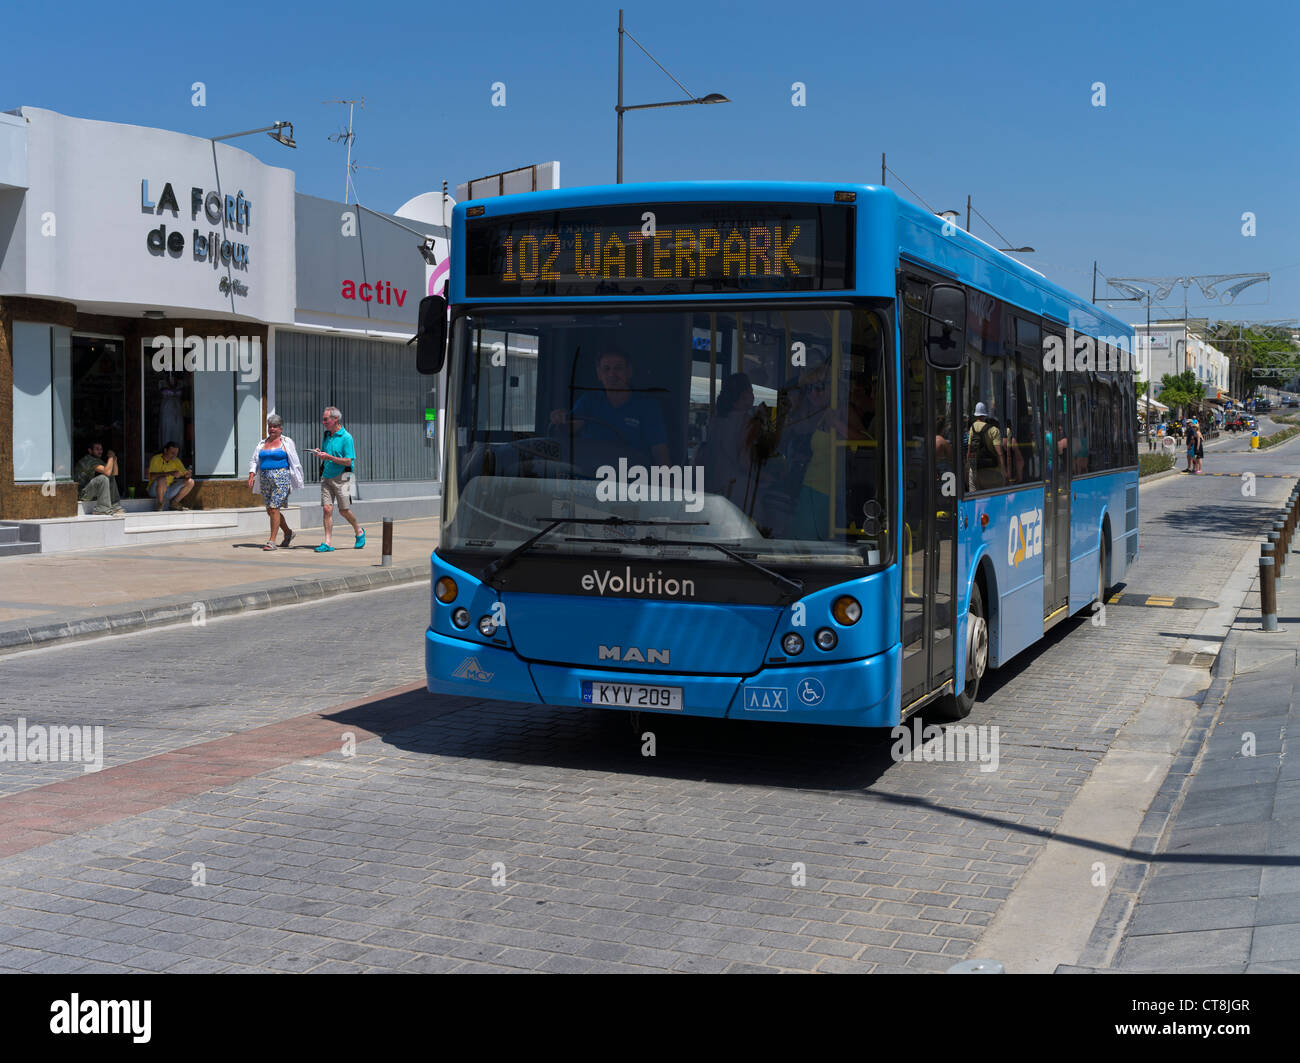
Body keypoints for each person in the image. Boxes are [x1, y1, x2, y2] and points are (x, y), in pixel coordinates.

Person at [550, 349, 670, 466]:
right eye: (606, 369)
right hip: (589, 473)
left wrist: (666, 481)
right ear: (599, 374)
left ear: (629, 372)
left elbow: (659, 450)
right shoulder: (589, 400)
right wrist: (560, 419)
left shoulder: (647, 406)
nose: (612, 374)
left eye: (618, 368)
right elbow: (570, 429)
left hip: (629, 476)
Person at [307, 406, 364, 552]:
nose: (323, 422)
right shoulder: (327, 435)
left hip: (343, 477)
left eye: (326, 419)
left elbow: (348, 461)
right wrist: (320, 453)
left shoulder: (346, 437)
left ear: (335, 419)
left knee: (344, 510)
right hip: (326, 476)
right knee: (327, 509)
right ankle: (327, 542)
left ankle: (359, 531)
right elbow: (328, 453)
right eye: (323, 419)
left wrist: (329, 457)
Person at [702, 373, 762, 508]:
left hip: (713, 485)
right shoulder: (747, 421)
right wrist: (765, 476)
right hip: (738, 491)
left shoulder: (715, 420)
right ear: (744, 396)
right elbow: (744, 463)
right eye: (751, 391)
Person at [247, 414, 304, 550]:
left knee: (274, 508)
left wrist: (297, 478)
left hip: (281, 478)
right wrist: (251, 475)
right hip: (265, 479)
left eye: (275, 426)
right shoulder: (262, 443)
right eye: (270, 426)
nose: (272, 429)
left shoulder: (287, 442)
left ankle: (271, 541)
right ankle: (288, 532)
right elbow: (254, 460)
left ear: (281, 428)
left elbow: (294, 461)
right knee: (270, 510)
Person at [965, 402, 1007, 491]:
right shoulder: (994, 430)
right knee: (995, 499)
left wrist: (968, 470)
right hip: (992, 471)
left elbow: (969, 451)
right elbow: (1000, 453)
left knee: (975, 500)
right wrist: (1004, 471)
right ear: (985, 415)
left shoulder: (972, 428)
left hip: (976, 470)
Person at [73, 442, 124, 515]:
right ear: (90, 451)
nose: (100, 451)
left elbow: (114, 473)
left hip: (88, 490)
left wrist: (114, 460)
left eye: (101, 449)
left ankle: (115, 506)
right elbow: (107, 472)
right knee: (103, 478)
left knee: (109, 477)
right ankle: (101, 509)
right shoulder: (88, 460)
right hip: (81, 493)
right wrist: (110, 457)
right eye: (97, 449)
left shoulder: (96, 460)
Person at [147, 442, 194, 512]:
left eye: (176, 453)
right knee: (162, 479)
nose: (174, 455)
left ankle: (174, 503)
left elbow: (184, 473)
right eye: (172, 453)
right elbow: (152, 476)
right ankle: (160, 504)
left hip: (168, 490)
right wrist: (170, 473)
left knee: (190, 482)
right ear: (165, 451)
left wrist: (187, 475)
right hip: (154, 491)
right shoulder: (156, 459)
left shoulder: (176, 460)